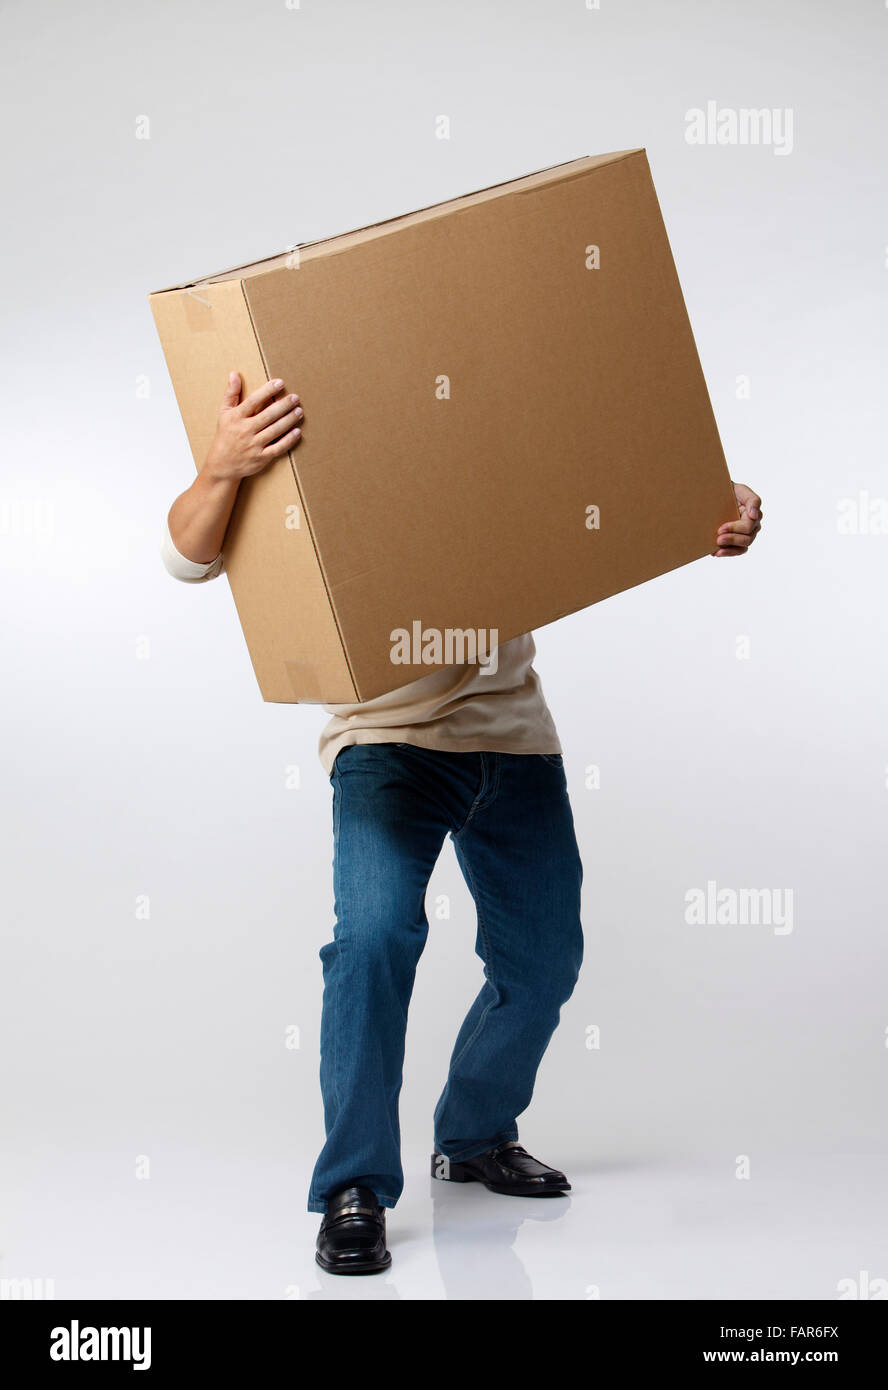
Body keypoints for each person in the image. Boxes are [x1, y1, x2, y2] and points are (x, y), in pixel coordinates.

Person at [161, 371, 764, 1276]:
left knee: (544, 960)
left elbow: (623, 490)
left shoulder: (504, 437)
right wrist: (222, 468)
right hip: (386, 744)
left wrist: (715, 509)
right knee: (371, 940)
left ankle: (475, 1134)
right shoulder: (312, 448)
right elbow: (185, 558)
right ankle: (354, 1186)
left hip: (514, 738)